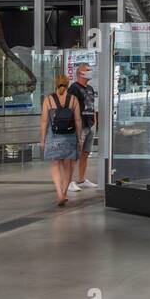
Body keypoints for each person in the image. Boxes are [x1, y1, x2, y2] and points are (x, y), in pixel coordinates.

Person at [40, 75, 82, 206]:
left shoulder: (49, 99)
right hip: (69, 135)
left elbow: (44, 120)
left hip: (53, 136)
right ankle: (64, 192)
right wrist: (79, 137)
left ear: (55, 83)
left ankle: (59, 193)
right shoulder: (73, 99)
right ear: (67, 84)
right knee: (68, 165)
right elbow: (78, 120)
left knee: (55, 165)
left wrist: (42, 139)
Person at [67, 62, 99, 192]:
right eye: (87, 70)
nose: (90, 72)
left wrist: (95, 121)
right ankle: (68, 182)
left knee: (86, 153)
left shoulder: (90, 88)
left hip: (90, 124)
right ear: (80, 73)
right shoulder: (74, 88)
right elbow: (70, 106)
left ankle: (81, 179)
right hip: (79, 125)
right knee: (75, 154)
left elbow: (92, 105)